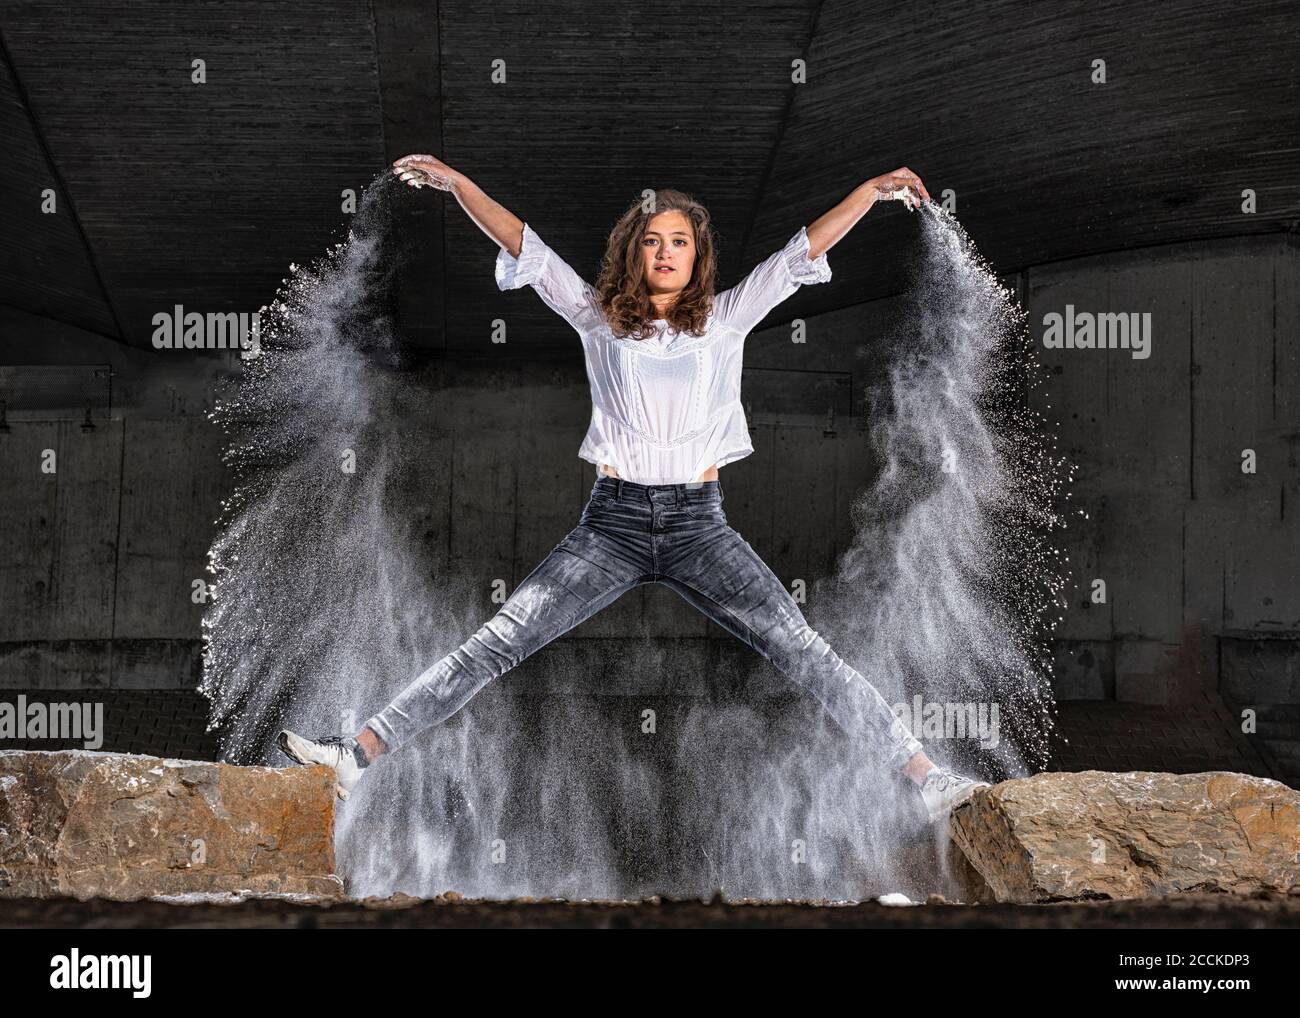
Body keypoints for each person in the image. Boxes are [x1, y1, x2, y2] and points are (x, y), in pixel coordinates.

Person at [278, 155, 990, 826]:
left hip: (699, 527)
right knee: (497, 642)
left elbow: (801, 251)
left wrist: (868, 193)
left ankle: (926, 779)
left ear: (696, 256)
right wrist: (458, 183)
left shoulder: (727, 319)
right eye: (652, 241)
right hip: (611, 526)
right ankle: (356, 755)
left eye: (679, 241)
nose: (666, 252)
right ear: (634, 252)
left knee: (805, 651)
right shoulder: (597, 320)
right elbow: (525, 243)